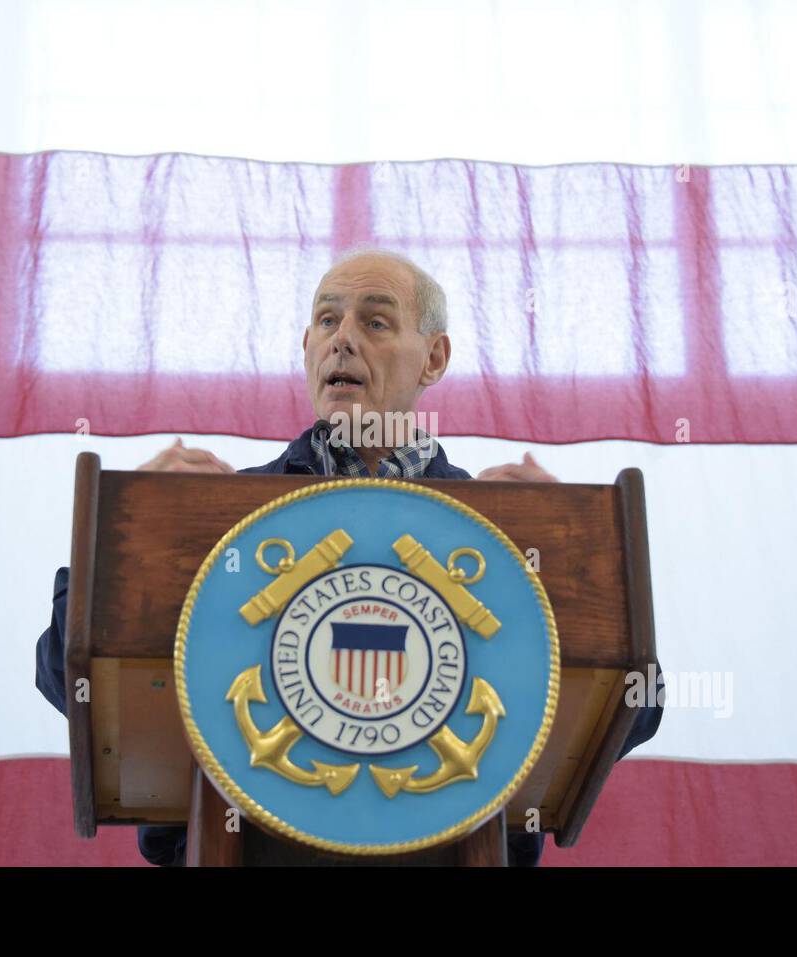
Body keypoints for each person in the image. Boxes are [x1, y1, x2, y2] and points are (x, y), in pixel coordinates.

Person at [35, 248, 663, 866]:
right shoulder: (216, 524)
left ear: (434, 357)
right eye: (328, 321)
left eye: (376, 321)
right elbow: (65, 677)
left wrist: (583, 563)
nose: (343, 340)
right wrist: (122, 537)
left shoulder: (500, 536)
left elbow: (640, 704)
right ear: (306, 347)